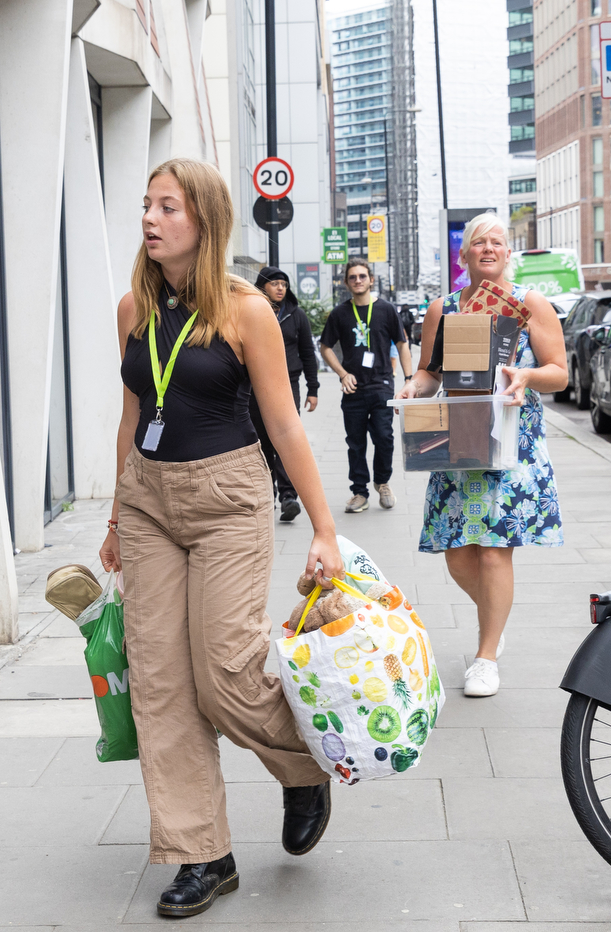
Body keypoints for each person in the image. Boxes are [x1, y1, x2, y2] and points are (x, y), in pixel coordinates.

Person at [98, 158, 343, 919]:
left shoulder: (245, 311)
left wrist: (326, 528)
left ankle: (303, 770)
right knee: (162, 685)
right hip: (148, 504)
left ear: (202, 221)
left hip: (227, 498)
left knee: (227, 672)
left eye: (166, 207)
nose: (150, 218)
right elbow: (133, 419)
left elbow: (282, 423)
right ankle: (201, 852)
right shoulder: (132, 310)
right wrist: (114, 513)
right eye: (146, 205)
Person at [398, 213, 567, 697]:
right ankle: (495, 615)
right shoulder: (443, 308)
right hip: (459, 440)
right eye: (479, 243)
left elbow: (559, 371)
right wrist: (414, 386)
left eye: (497, 242)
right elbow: (430, 373)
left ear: (508, 253)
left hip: (512, 440)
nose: (488, 248)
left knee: (494, 551)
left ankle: (486, 656)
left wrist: (528, 377)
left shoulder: (527, 303)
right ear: (464, 255)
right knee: (456, 554)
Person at [319, 259, 413, 513]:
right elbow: (325, 347)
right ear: (346, 282)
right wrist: (341, 373)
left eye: (362, 276)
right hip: (353, 390)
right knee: (356, 443)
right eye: (352, 277)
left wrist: (408, 378)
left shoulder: (386, 310)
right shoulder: (340, 313)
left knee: (384, 437)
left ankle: (382, 482)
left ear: (371, 279)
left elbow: (402, 343)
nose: (358, 280)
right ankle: (359, 492)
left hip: (382, 384)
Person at [248, 266, 320, 522]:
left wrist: (313, 388)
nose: (280, 288)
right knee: (260, 441)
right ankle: (267, 493)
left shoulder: (295, 315)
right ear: (262, 285)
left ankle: (288, 496)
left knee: (286, 439)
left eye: (284, 284)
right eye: (275, 283)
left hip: (289, 383)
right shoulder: (250, 311)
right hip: (254, 387)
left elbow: (308, 353)